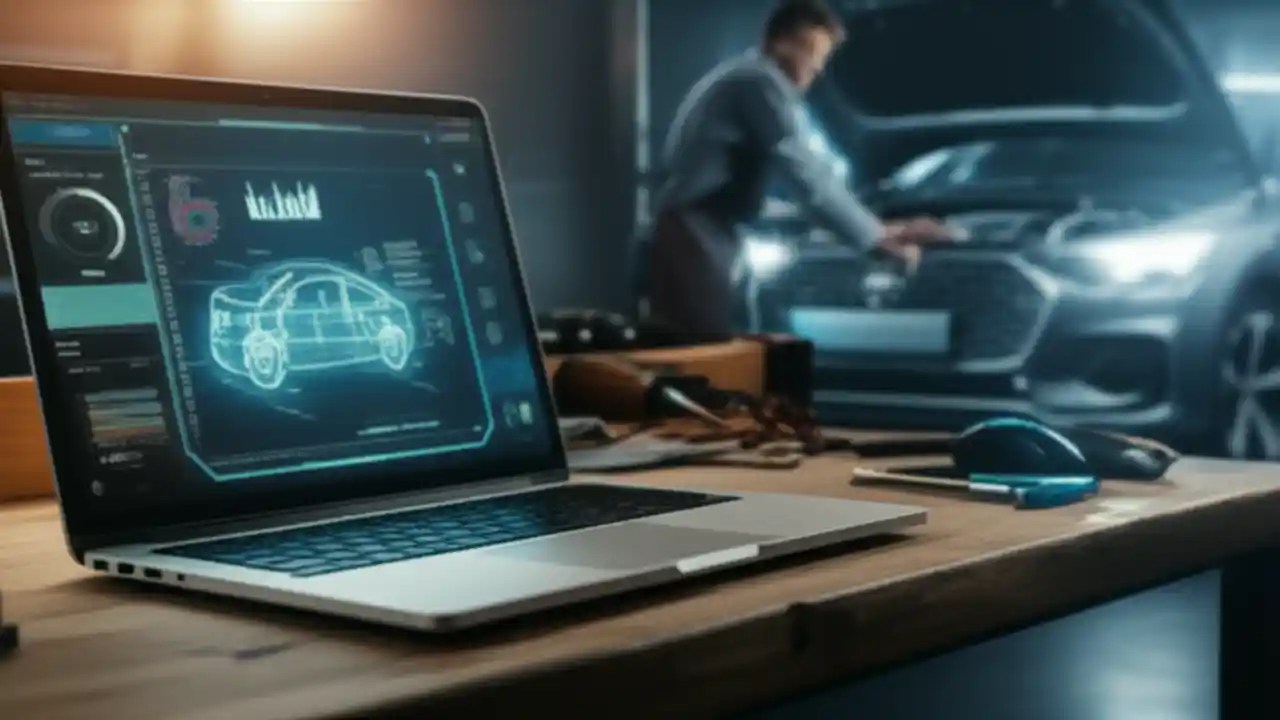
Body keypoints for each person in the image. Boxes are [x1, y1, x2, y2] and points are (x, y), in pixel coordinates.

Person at [647, 0, 959, 336]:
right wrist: (875, 237)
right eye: (811, 50)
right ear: (778, 42)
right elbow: (803, 171)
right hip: (694, 236)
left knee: (697, 350)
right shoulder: (759, 82)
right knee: (699, 353)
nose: (818, 67)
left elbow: (763, 188)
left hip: (700, 231)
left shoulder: (743, 80)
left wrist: (881, 228)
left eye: (822, 56)